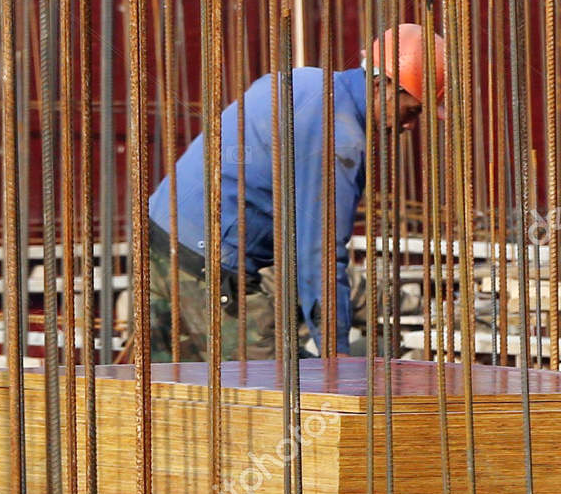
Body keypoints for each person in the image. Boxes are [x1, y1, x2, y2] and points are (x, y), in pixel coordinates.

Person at [148, 23, 446, 361]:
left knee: (169, 392)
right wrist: (335, 353)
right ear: (382, 85)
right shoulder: (340, 138)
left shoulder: (305, 82)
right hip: (207, 271)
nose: (410, 126)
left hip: (158, 246)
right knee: (272, 396)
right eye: (413, 110)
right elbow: (318, 253)